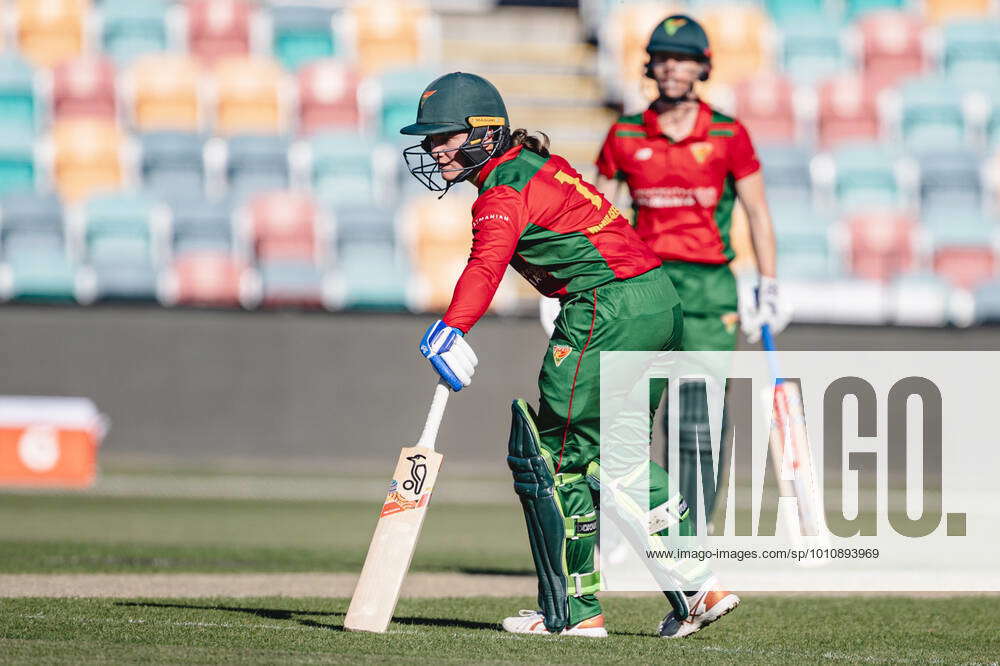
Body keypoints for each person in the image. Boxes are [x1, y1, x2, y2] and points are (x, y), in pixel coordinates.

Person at [401, 71, 739, 638]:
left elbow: (486, 265)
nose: (435, 151)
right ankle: (699, 587)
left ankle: (572, 613)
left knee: (552, 457)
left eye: (445, 138)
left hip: (605, 307)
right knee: (617, 454)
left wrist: (451, 328)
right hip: (658, 301)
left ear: (485, 132)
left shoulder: (501, 190)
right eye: (431, 140)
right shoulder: (535, 165)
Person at [591, 14, 792, 528]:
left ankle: (693, 537)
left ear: (703, 66)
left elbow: (758, 213)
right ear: (649, 65)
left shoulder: (729, 133)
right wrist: (575, 287)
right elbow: (596, 217)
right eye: (662, 57)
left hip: (708, 291)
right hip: (642, 289)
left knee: (697, 418)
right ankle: (622, 528)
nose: (671, 67)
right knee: (628, 413)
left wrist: (768, 283)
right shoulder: (624, 133)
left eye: (682, 58)